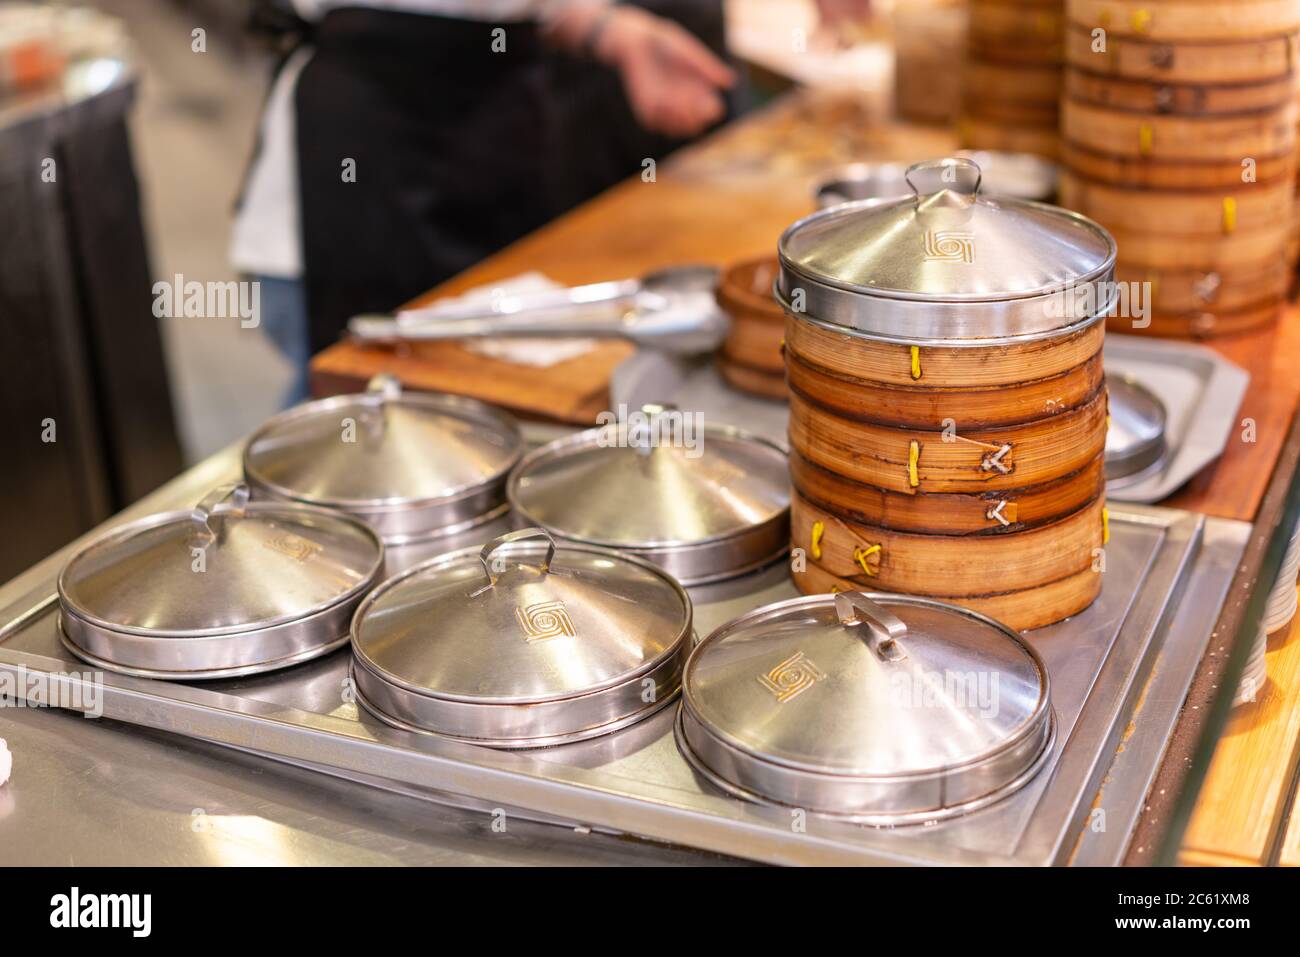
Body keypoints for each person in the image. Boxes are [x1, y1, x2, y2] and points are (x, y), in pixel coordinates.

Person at [231, 0, 737, 406]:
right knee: (357, 411)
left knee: (477, 399)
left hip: (494, 144)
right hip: (366, 161)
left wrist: (608, 29)